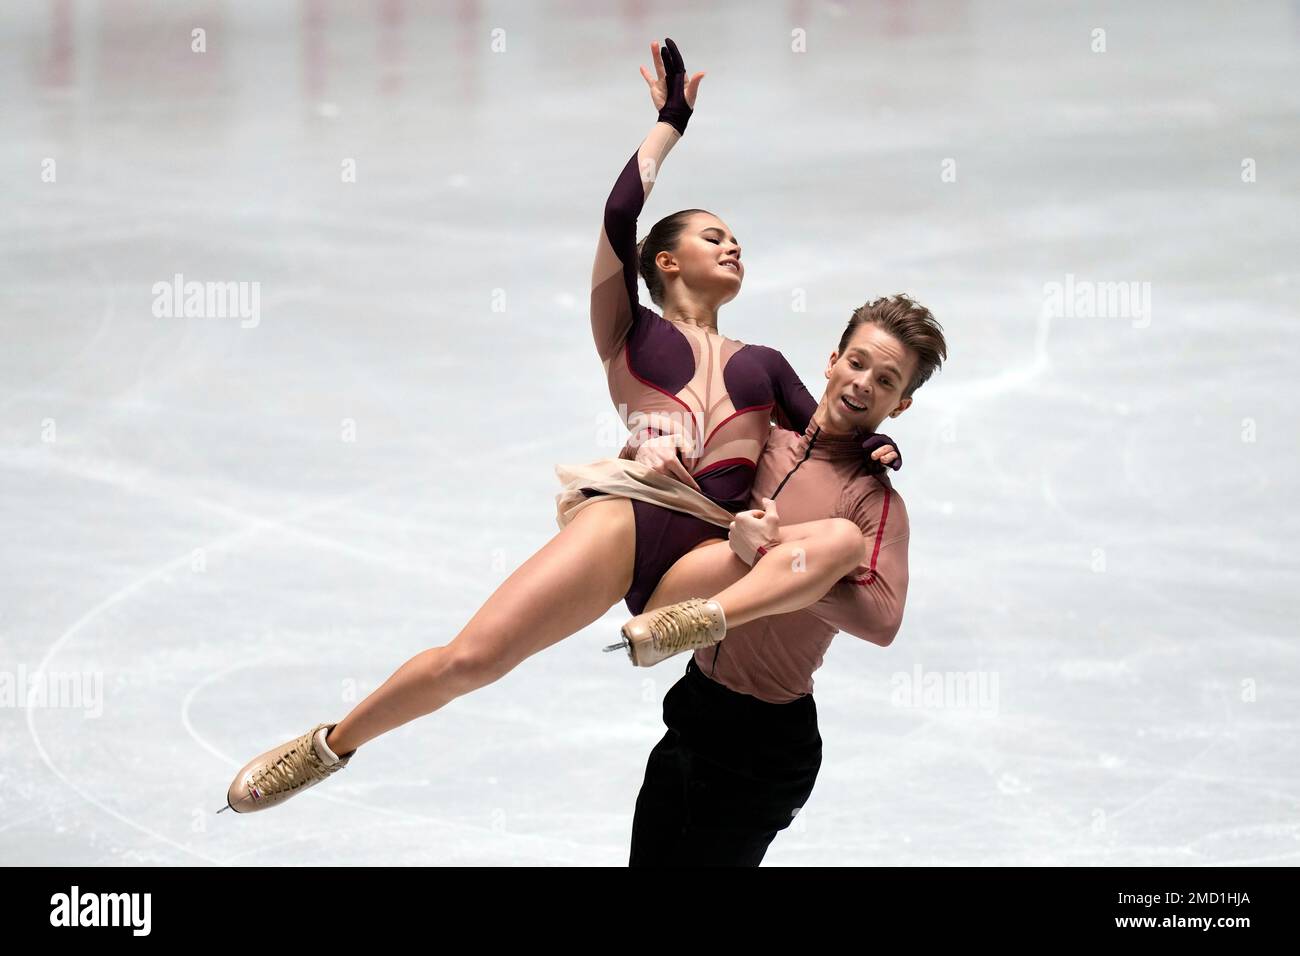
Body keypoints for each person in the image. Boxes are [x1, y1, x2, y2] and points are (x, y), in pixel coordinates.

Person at [218, 37, 900, 816]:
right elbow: (619, 213)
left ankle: (696, 623)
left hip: (710, 557)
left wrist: (880, 440)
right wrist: (669, 125)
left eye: (736, 237)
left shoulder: (768, 362)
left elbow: (827, 440)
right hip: (633, 520)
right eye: (712, 236)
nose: (733, 244)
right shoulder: (628, 333)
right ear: (666, 263)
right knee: (473, 659)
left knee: (826, 546)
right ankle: (329, 745)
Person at [624, 295, 948, 866]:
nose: (863, 382)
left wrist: (778, 561)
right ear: (831, 360)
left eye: (887, 380)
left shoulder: (875, 504)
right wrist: (652, 440)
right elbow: (675, 443)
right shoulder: (760, 443)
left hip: (766, 741)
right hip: (694, 709)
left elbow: (882, 620)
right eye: (856, 362)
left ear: (902, 404)